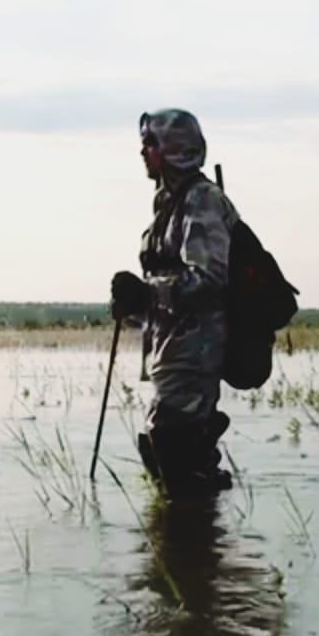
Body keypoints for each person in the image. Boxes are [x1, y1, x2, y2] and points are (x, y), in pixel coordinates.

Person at [110, 108, 236, 497]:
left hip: (195, 348)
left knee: (173, 449)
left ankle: (193, 546)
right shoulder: (167, 205)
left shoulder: (202, 200)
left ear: (173, 148)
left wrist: (148, 292)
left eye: (151, 143)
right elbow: (165, 285)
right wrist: (131, 304)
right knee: (164, 448)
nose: (143, 152)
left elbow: (209, 279)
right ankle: (191, 542)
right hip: (170, 348)